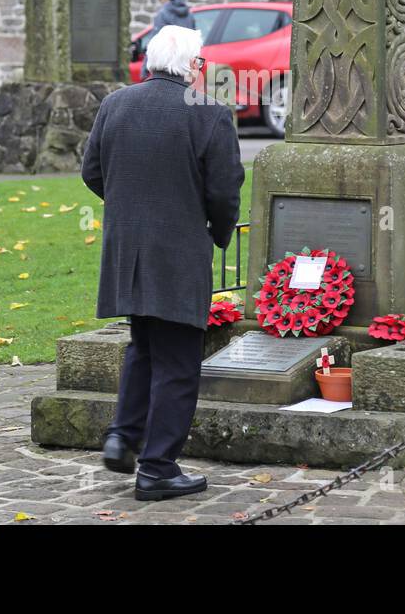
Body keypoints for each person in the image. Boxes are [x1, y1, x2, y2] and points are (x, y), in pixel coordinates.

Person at [82, 25, 244, 501]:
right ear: (192, 66)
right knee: (176, 361)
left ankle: (122, 435)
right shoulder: (209, 114)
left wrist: (128, 209)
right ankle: (156, 468)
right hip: (177, 252)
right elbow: (223, 190)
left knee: (145, 345)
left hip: (128, 251)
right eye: (201, 63)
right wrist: (217, 231)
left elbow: (92, 170)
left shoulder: (116, 104)